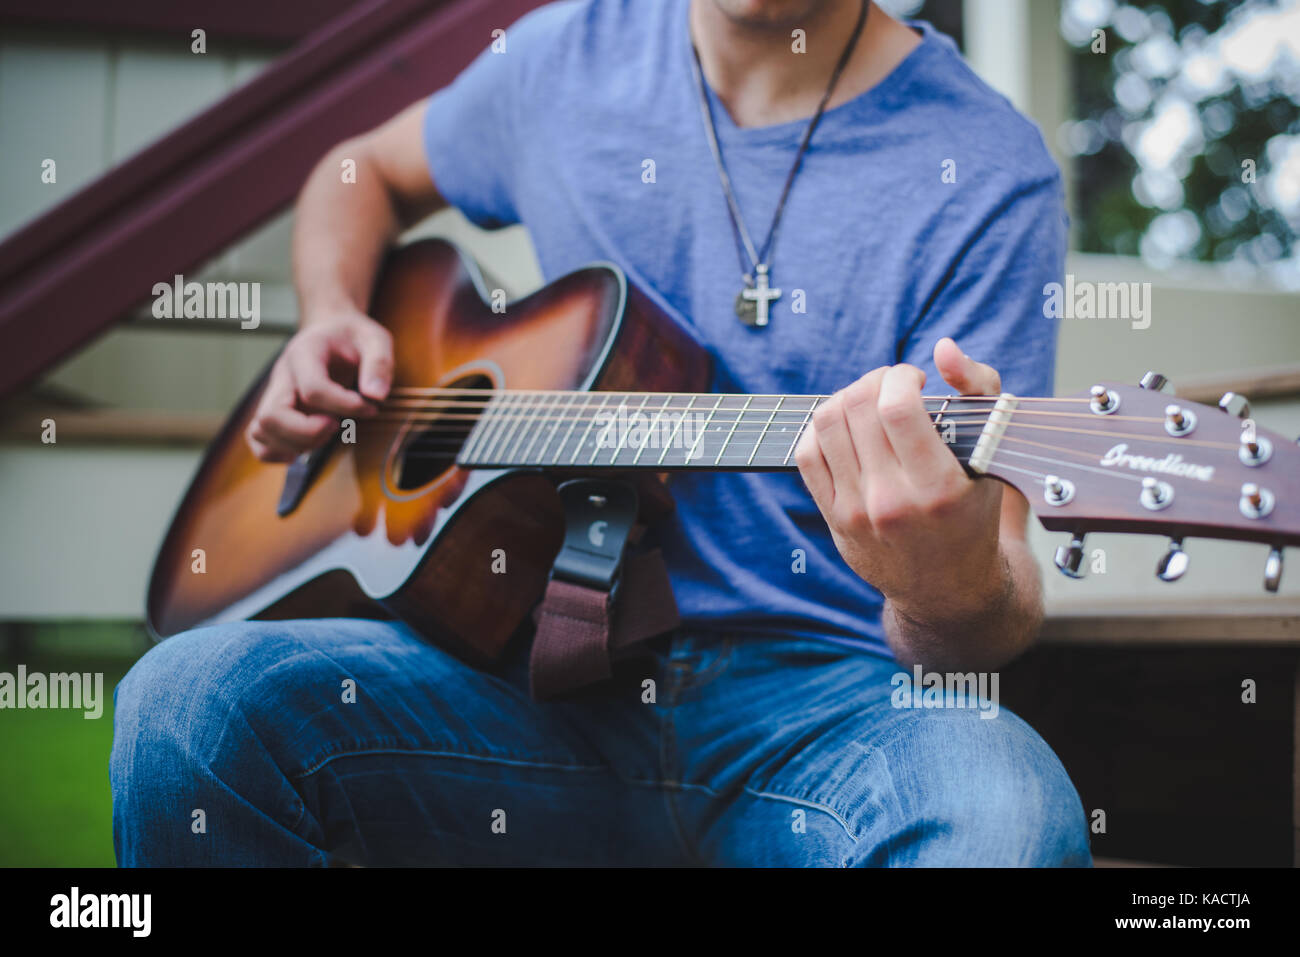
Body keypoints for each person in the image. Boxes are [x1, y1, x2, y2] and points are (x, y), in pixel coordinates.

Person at [111, 0, 1091, 866]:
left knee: (1005, 825)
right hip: (526, 685)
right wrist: (330, 312)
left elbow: (986, 610)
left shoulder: (987, 168)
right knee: (191, 709)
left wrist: (942, 580)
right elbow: (356, 170)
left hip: (829, 714)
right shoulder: (562, 56)